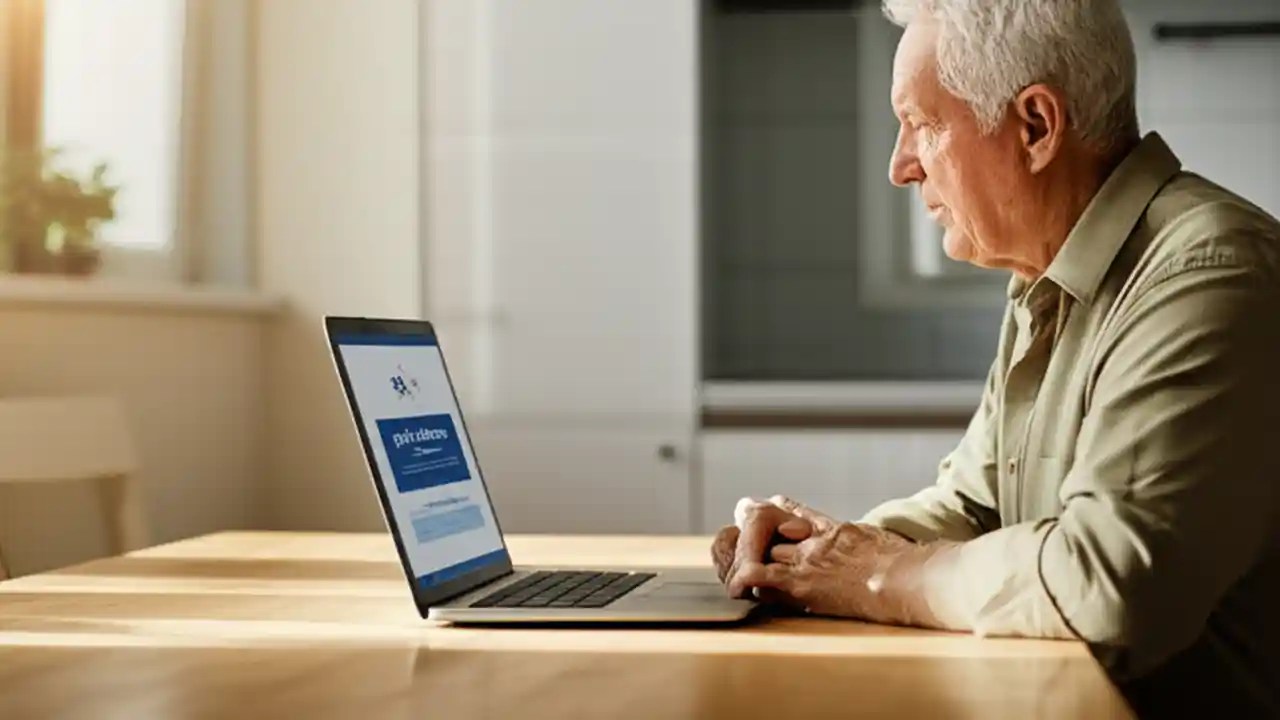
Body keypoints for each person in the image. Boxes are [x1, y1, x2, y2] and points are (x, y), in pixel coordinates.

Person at [710, 1, 1280, 715]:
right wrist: (810, 554)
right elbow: (976, 506)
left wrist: (882, 575)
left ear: (1036, 127)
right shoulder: (1048, 277)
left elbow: (1109, 582)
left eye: (922, 123)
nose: (900, 166)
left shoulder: (1205, 273)